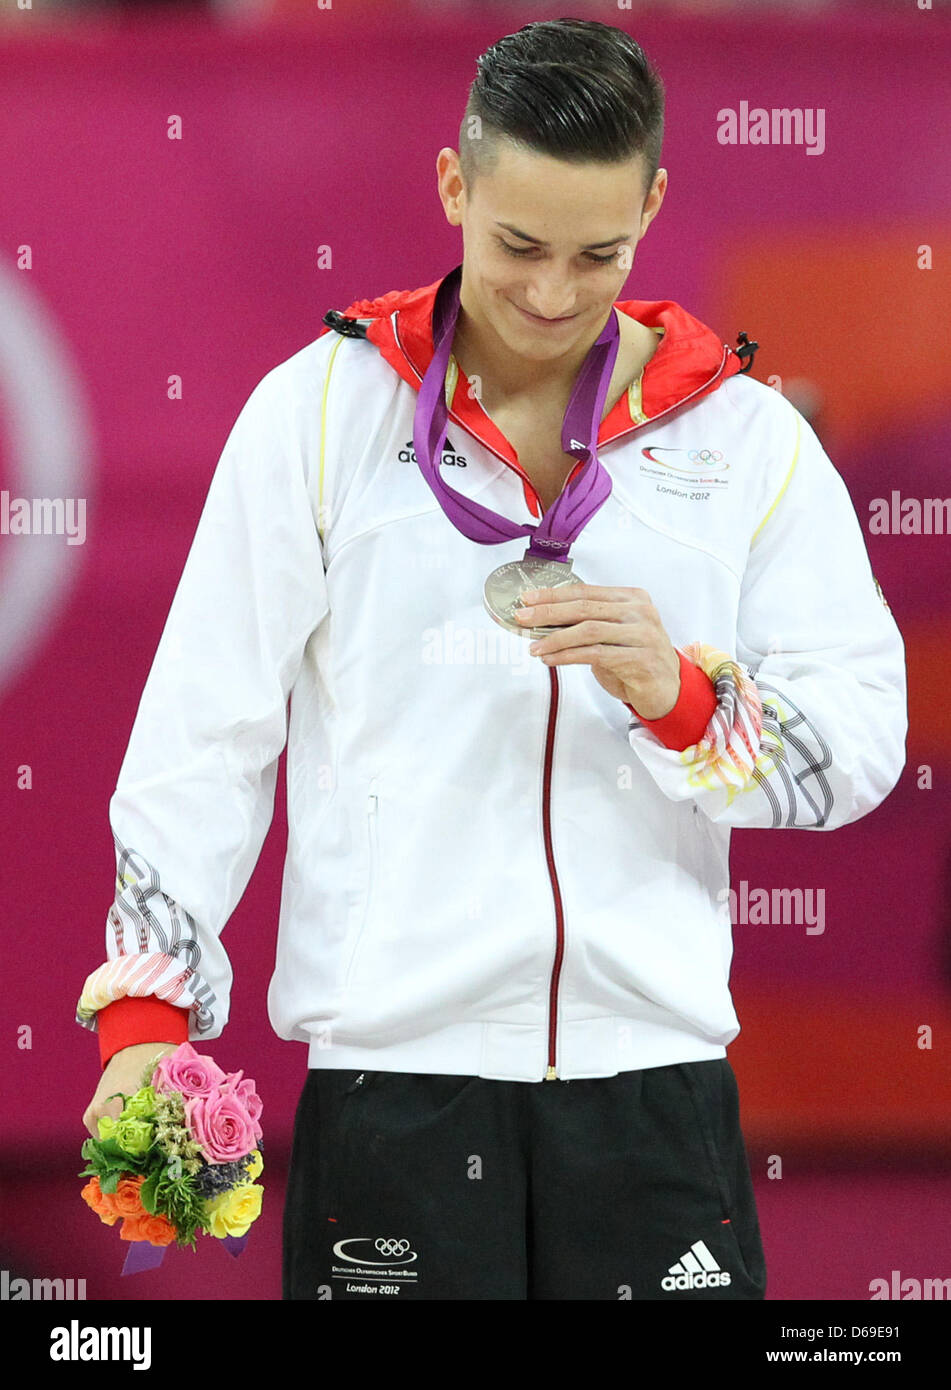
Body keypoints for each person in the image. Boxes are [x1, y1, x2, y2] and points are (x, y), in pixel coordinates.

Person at [78, 19, 906, 1300]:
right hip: (394, 1095)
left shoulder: (744, 440)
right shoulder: (317, 414)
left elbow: (859, 742)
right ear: (456, 187)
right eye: (518, 245)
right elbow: (207, 733)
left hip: (653, 1093)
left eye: (599, 253)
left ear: (656, 205)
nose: (555, 294)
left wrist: (684, 699)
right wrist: (145, 1013)